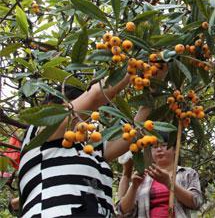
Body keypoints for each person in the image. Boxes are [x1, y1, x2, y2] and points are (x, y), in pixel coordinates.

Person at [18, 76, 132, 217]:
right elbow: (95, 96)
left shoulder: (92, 149)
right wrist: (132, 68)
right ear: (49, 109)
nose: (78, 116)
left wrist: (151, 95)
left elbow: (136, 135)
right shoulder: (40, 132)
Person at [117, 126, 204, 217]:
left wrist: (169, 184)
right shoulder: (143, 176)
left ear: (175, 149)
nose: (159, 149)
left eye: (164, 145)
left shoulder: (187, 173)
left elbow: (196, 202)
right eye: (154, 147)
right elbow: (123, 211)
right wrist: (134, 187)